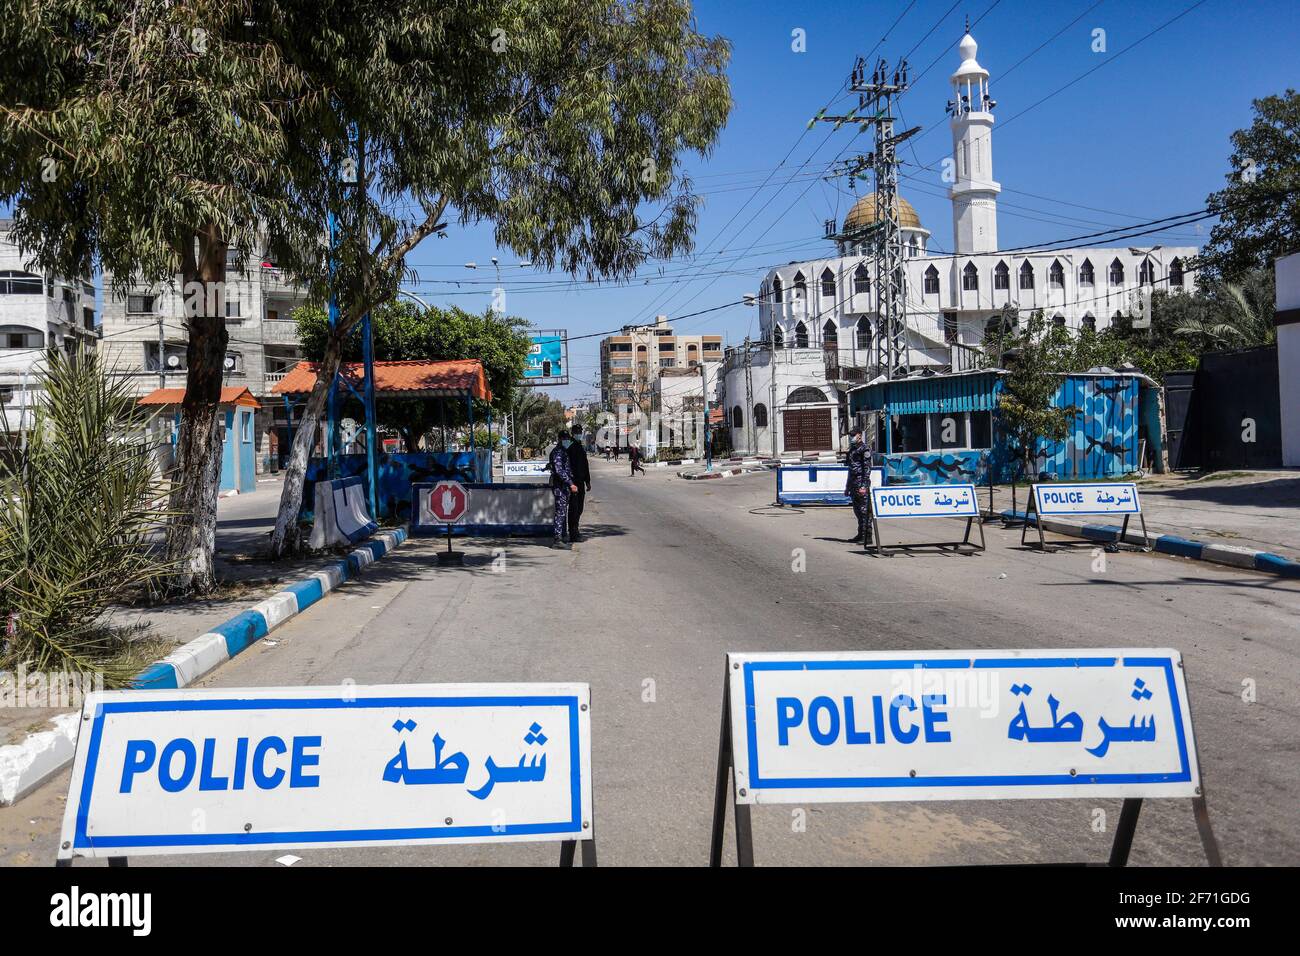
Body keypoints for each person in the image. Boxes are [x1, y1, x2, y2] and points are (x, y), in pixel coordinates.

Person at [546, 428, 579, 549]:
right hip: (560, 486)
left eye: (567, 439)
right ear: (559, 439)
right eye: (564, 438)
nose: (566, 440)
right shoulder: (558, 452)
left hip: (564, 486)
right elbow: (559, 471)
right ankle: (557, 539)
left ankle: (562, 536)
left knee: (563, 511)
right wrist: (570, 483)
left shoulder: (563, 450)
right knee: (560, 512)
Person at [844, 425, 873, 546]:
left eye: (853, 435)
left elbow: (867, 469)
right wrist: (847, 487)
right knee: (857, 511)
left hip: (861, 483)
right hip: (853, 483)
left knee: (864, 511)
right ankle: (860, 534)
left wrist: (864, 486)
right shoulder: (852, 449)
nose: (851, 437)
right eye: (850, 435)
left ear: (859, 435)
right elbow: (850, 470)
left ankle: (867, 537)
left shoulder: (864, 449)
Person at [567, 424, 591, 542]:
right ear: (572, 433)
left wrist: (588, 481)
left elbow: (585, 465)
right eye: (577, 431)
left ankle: (575, 529)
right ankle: (573, 532)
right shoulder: (570, 446)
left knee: (580, 508)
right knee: (574, 508)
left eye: (580, 431)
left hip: (581, 482)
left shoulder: (580, 446)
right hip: (573, 482)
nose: (579, 433)